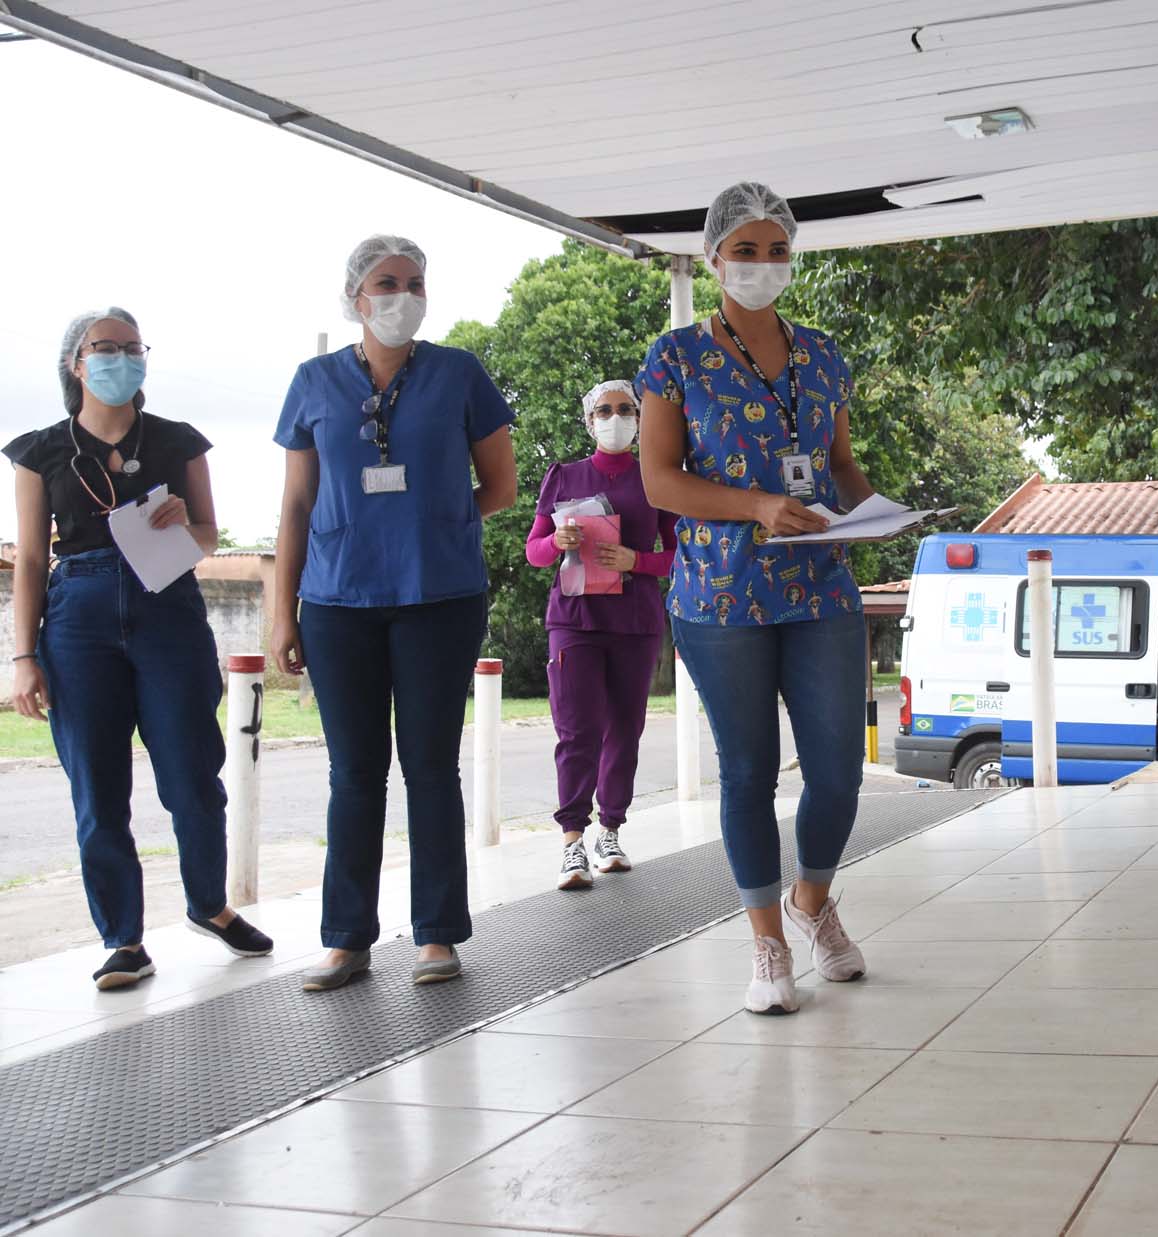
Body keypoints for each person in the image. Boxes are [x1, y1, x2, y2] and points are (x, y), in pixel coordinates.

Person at [637, 181, 874, 1015]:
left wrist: (867, 512)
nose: (763, 265)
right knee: (747, 772)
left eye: (777, 250)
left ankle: (814, 900)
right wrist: (757, 505)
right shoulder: (674, 357)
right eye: (746, 249)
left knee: (840, 770)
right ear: (712, 259)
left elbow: (840, 463)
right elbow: (661, 481)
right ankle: (767, 940)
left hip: (821, 584)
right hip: (720, 594)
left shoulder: (823, 352)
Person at [271, 236, 517, 992]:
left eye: (415, 283)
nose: (402, 295)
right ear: (355, 296)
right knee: (355, 773)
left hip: (438, 598)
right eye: (386, 283)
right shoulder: (313, 381)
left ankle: (439, 935)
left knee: (430, 767)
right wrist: (283, 614)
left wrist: (434, 525)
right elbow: (296, 503)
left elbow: (500, 487)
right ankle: (346, 939)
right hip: (338, 602)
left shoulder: (458, 373)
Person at [6, 308, 272, 990]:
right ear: (77, 363)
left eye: (132, 347)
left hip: (168, 608)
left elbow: (210, 536)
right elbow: (33, 558)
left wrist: (189, 523)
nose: (121, 358)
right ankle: (122, 939)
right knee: (97, 785)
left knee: (192, 773)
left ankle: (209, 903)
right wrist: (23, 655)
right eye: (105, 348)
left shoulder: (178, 441)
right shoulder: (40, 450)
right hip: (78, 616)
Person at [524, 379, 678, 889]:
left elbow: (682, 554)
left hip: (634, 621)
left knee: (624, 730)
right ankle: (572, 841)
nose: (616, 418)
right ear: (589, 421)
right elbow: (534, 552)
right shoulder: (564, 476)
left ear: (640, 419)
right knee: (577, 730)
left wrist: (639, 559)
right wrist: (555, 538)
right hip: (574, 621)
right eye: (605, 411)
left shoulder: (656, 478)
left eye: (626, 410)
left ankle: (610, 830)